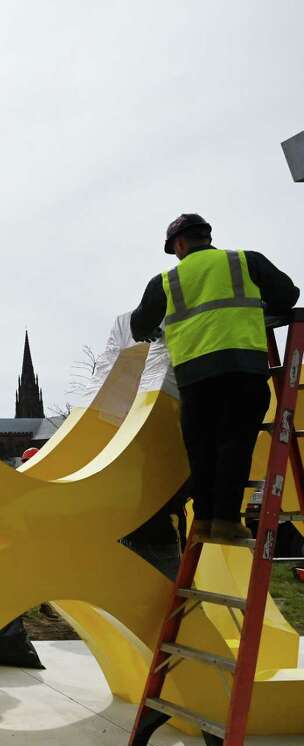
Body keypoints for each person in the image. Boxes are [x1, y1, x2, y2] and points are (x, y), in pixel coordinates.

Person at [130, 213, 299, 539]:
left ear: (179, 245)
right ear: (207, 237)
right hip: (242, 370)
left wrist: (156, 330)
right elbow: (287, 295)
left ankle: (206, 520)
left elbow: (140, 327)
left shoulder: (166, 281)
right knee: (234, 442)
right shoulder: (246, 262)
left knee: (201, 447)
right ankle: (225, 520)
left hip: (194, 378)